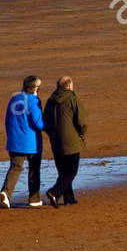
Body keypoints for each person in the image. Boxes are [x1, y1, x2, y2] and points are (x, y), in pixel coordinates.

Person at [0, 75, 45, 209]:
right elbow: (38, 122)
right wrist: (49, 127)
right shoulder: (33, 100)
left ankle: (6, 193)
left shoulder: (14, 99)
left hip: (14, 139)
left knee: (15, 168)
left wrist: (10, 135)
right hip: (31, 142)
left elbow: (7, 120)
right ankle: (34, 198)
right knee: (34, 169)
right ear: (35, 88)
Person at [43, 75, 88, 206]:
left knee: (63, 171)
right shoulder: (72, 98)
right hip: (71, 141)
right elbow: (82, 121)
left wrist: (51, 133)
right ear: (68, 86)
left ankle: (69, 198)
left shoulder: (51, 100)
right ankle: (54, 193)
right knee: (71, 171)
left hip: (56, 141)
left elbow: (45, 120)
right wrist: (82, 133)